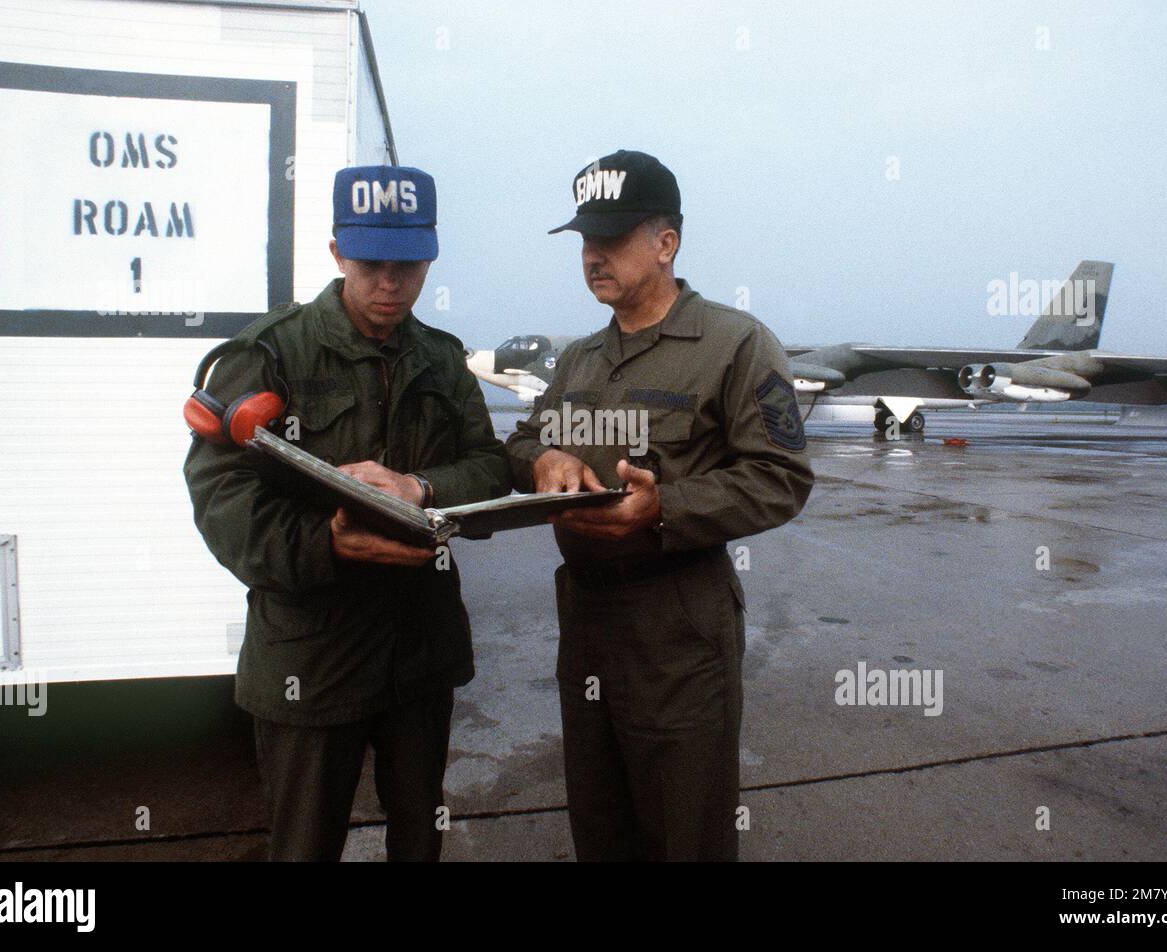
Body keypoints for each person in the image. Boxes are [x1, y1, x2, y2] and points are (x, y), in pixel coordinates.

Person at [183, 164, 510, 861]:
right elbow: (221, 497)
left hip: (420, 652)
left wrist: (420, 487)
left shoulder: (444, 361)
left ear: (430, 258)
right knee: (304, 845)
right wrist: (324, 542)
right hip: (310, 655)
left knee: (420, 838)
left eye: (409, 263)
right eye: (370, 263)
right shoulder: (269, 353)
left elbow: (489, 466)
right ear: (336, 253)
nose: (390, 282)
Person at [506, 150, 814, 861]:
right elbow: (523, 441)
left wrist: (665, 506)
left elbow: (781, 476)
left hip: (678, 632)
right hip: (585, 623)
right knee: (601, 827)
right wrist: (542, 459)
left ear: (666, 243)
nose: (593, 256)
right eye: (586, 241)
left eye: (611, 239)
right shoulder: (580, 361)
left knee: (686, 835)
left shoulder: (735, 345)